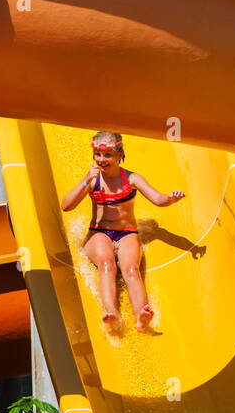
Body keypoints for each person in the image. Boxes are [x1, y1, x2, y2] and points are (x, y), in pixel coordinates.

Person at [61, 131, 186, 331]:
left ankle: (141, 316)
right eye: (98, 155)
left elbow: (158, 199)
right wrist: (86, 181)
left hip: (127, 232)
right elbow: (66, 206)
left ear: (120, 155)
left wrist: (171, 198)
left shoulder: (132, 179)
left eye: (108, 155)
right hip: (98, 232)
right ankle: (112, 313)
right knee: (107, 264)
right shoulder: (93, 180)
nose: (102, 160)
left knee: (130, 269)